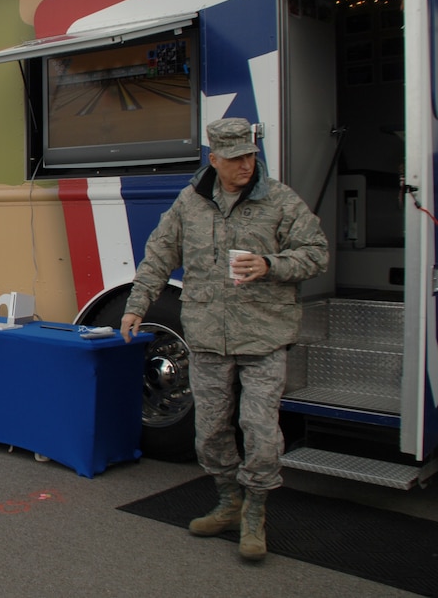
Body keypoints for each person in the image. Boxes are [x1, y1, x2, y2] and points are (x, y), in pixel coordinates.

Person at [119, 117, 328, 562]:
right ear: (214, 160)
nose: (246, 166)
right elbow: (159, 254)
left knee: (260, 431)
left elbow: (316, 254)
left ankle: (255, 511)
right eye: (235, 159)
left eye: (250, 156)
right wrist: (137, 305)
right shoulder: (190, 203)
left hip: (264, 336)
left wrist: (271, 265)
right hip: (209, 335)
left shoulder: (279, 200)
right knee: (210, 432)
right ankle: (229, 501)